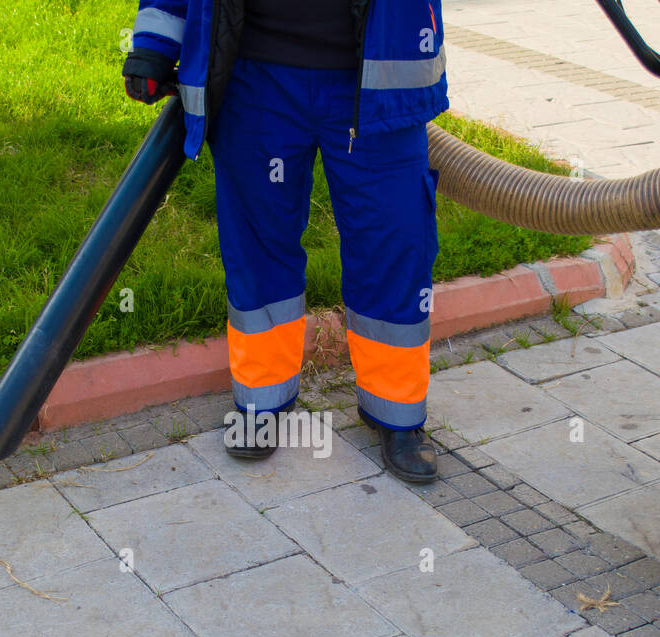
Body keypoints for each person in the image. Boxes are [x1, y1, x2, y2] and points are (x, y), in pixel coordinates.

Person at [123, 0, 448, 483]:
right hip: (256, 74)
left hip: (382, 75)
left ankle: (397, 412)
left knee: (393, 242)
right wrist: (154, 44)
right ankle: (261, 399)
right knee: (258, 243)